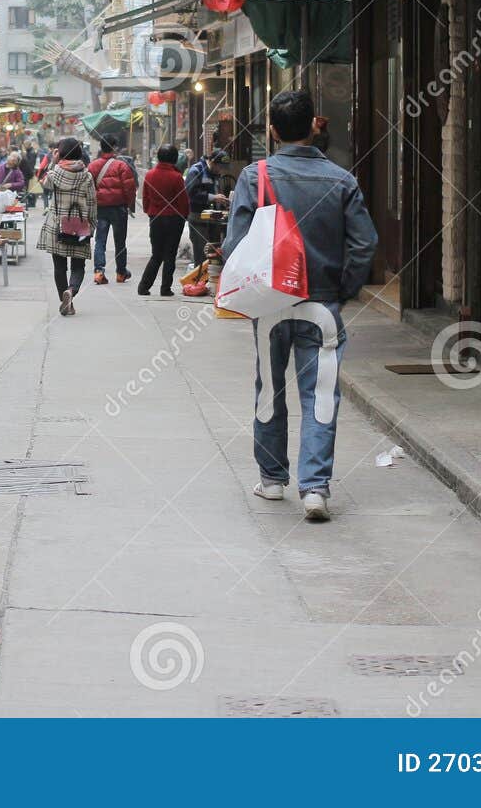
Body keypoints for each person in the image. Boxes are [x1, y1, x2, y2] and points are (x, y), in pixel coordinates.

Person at [215, 89, 376, 523]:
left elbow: (234, 244)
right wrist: (341, 290)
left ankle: (271, 480)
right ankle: (315, 489)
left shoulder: (256, 176)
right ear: (312, 127)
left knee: (270, 388)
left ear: (272, 130)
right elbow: (364, 244)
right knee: (321, 393)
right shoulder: (343, 180)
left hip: (269, 306)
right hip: (322, 306)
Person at [38, 137, 96, 316]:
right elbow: (93, 202)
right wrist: (91, 225)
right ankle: (71, 292)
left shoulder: (54, 174)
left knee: (59, 266)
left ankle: (65, 302)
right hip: (79, 225)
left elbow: (43, 182)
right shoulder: (86, 176)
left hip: (57, 226)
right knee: (78, 266)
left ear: (60, 153)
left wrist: (53, 161)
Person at [137, 145, 190, 297]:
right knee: (170, 255)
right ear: (174, 158)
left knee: (156, 255)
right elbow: (183, 201)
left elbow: (145, 198)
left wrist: (150, 212)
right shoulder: (176, 177)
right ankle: (165, 288)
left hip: (156, 218)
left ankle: (144, 286)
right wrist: (184, 216)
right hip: (174, 219)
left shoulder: (150, 175)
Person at [87, 135, 137, 284]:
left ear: (101, 147)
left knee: (100, 240)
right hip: (118, 208)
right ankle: (121, 273)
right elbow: (130, 188)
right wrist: (129, 206)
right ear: (114, 147)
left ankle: (98, 272)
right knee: (120, 242)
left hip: (100, 208)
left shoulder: (93, 166)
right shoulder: (121, 166)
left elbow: (88, 188)